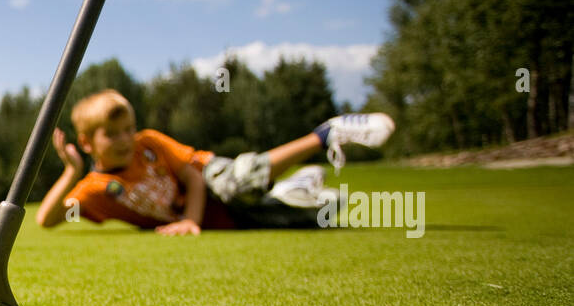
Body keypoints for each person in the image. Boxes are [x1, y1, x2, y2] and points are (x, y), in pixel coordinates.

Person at [36, 88, 395, 235]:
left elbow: (192, 175)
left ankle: (323, 134)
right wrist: (72, 171)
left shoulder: (149, 143)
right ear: (86, 142)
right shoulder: (97, 190)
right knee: (312, 218)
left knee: (235, 182)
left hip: (209, 178)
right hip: (221, 216)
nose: (125, 139)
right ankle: (293, 188)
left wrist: (190, 220)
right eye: (112, 134)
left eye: (128, 128)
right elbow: (46, 220)